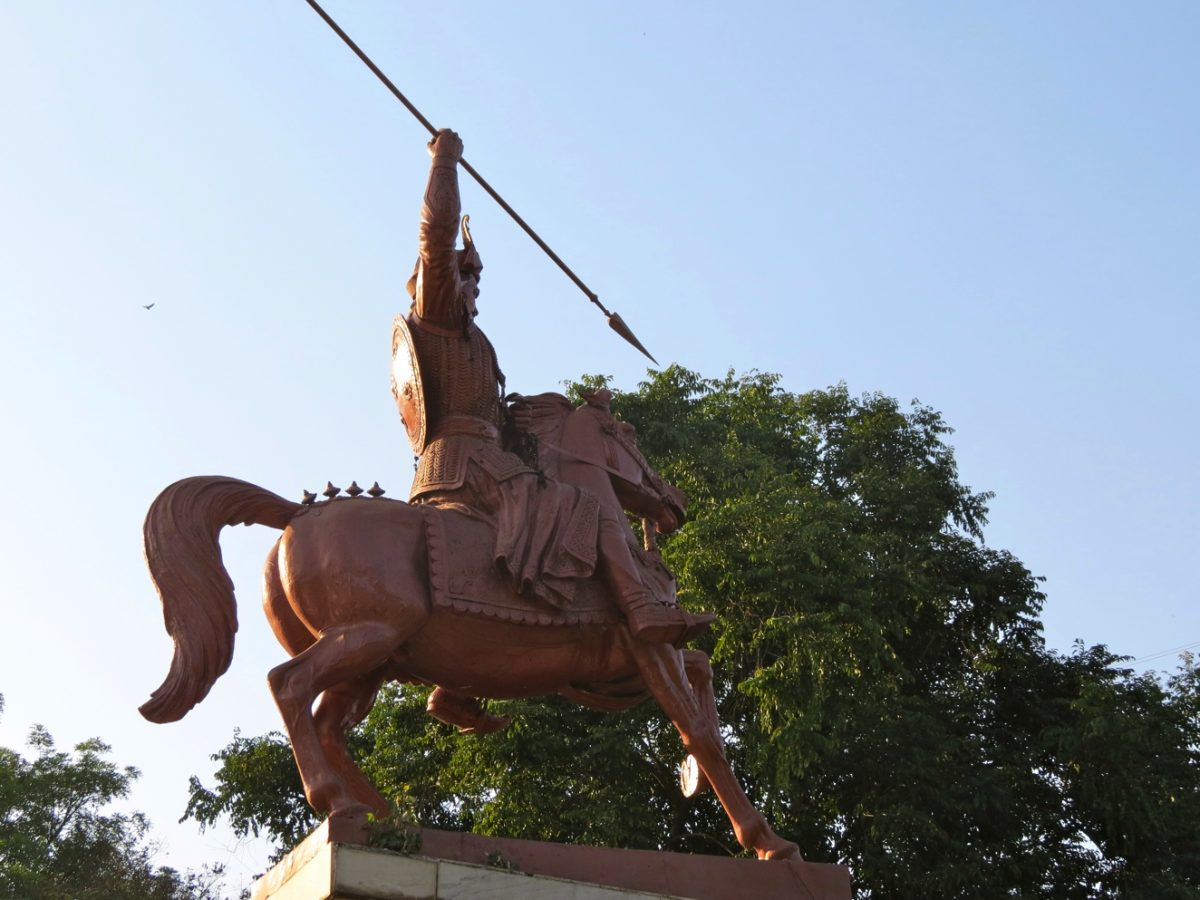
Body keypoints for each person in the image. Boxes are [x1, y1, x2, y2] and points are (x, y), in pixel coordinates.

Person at [393, 128, 708, 644]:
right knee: (585, 506)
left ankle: (457, 679)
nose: (472, 286)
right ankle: (639, 606)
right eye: (464, 276)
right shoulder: (439, 316)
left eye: (475, 279)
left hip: (478, 458)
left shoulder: (476, 343)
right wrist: (445, 161)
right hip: (465, 465)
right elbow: (436, 234)